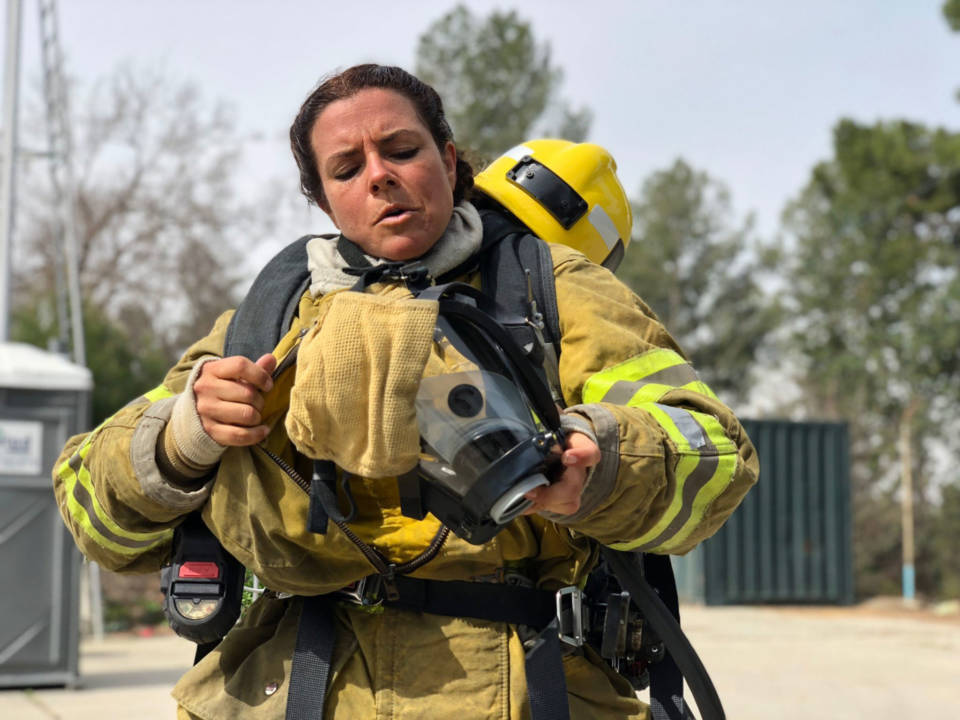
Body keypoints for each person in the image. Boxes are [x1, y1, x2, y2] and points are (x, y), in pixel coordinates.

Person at [53, 64, 759, 720]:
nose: (380, 176)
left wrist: (599, 463)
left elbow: (716, 454)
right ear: (323, 199)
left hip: (530, 685)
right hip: (300, 685)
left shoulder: (553, 291)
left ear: (448, 162)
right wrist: (182, 438)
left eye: (401, 150)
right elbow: (92, 514)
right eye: (347, 168)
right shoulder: (268, 320)